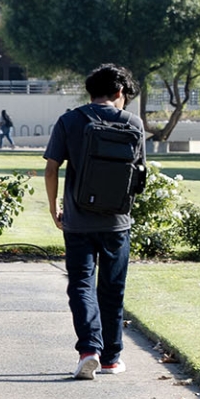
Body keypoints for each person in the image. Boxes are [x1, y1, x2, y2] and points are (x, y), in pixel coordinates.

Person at [44, 64, 146, 379]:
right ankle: (112, 358)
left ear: (91, 91)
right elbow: (139, 175)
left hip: (77, 220)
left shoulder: (69, 121)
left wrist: (53, 208)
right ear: (120, 93)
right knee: (112, 289)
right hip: (117, 222)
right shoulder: (134, 123)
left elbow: (51, 169)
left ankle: (89, 349)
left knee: (81, 285)